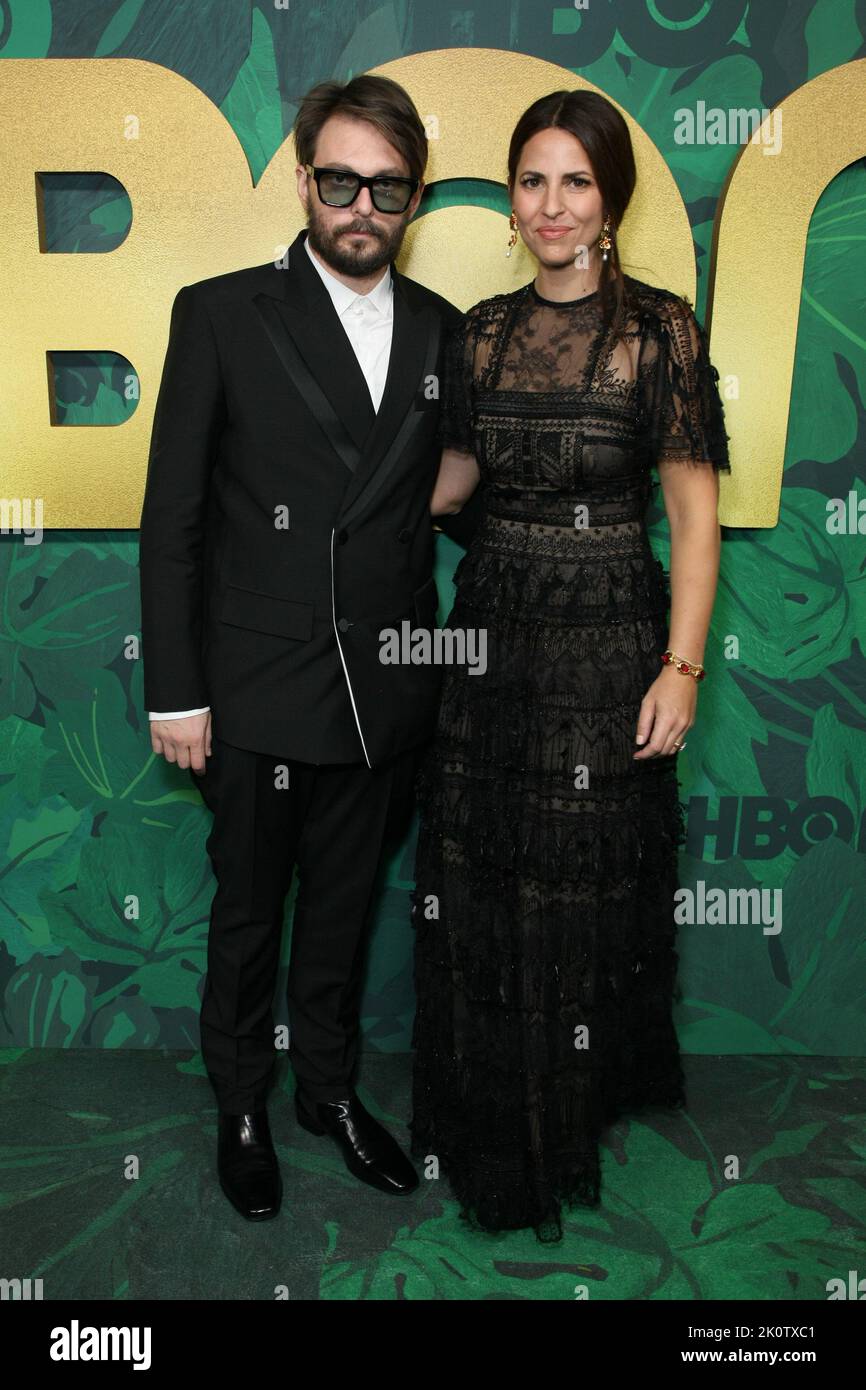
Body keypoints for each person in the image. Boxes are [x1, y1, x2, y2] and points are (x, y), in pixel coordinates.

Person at [138, 74, 480, 1222]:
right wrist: (176, 691)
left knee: (342, 908)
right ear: (303, 181)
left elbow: (439, 489)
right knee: (247, 915)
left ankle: (324, 1094)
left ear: (413, 197)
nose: (360, 205)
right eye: (339, 180)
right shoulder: (222, 311)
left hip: (386, 685)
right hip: (250, 686)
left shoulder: (440, 329)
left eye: (386, 187)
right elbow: (173, 518)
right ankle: (241, 1101)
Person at [409, 88, 731, 1243]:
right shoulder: (479, 331)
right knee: (488, 880)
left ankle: (569, 1108)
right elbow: (450, 486)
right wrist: (339, 498)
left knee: (578, 885)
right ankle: (499, 1121)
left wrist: (681, 668)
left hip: (608, 646)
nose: (550, 204)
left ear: (609, 203)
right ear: (510, 201)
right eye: (531, 180)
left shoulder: (659, 332)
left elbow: (691, 520)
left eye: (574, 182)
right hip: (490, 641)